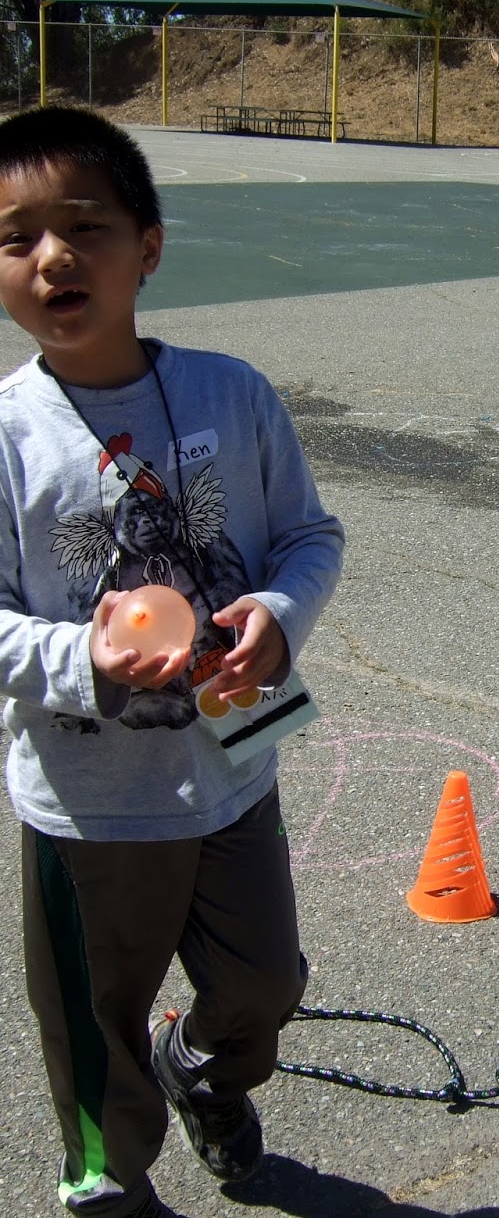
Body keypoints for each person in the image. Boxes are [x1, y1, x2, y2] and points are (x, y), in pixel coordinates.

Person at [0, 106, 344, 1218]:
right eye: (16, 238)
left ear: (147, 247)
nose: (52, 257)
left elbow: (309, 536)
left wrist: (279, 614)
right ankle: (106, 1179)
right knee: (92, 1023)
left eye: (85, 227)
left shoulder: (229, 393)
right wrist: (83, 656)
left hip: (234, 763)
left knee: (265, 987)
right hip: (88, 804)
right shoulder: (8, 432)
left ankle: (199, 1067)